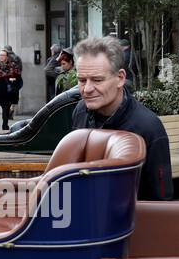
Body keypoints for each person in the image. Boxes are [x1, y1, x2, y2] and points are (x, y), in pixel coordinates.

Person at [69, 36, 172, 201]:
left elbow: (160, 201)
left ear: (120, 78)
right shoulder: (80, 110)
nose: (87, 89)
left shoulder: (149, 127)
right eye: (82, 80)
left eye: (97, 80)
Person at [0, 48, 22, 131]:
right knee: (5, 107)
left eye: (3, 55)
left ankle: (5, 123)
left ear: (7, 57)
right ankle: (5, 124)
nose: (1, 57)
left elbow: (19, 78)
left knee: (6, 107)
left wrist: (14, 82)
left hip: (9, 91)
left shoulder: (13, 67)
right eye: (0, 55)